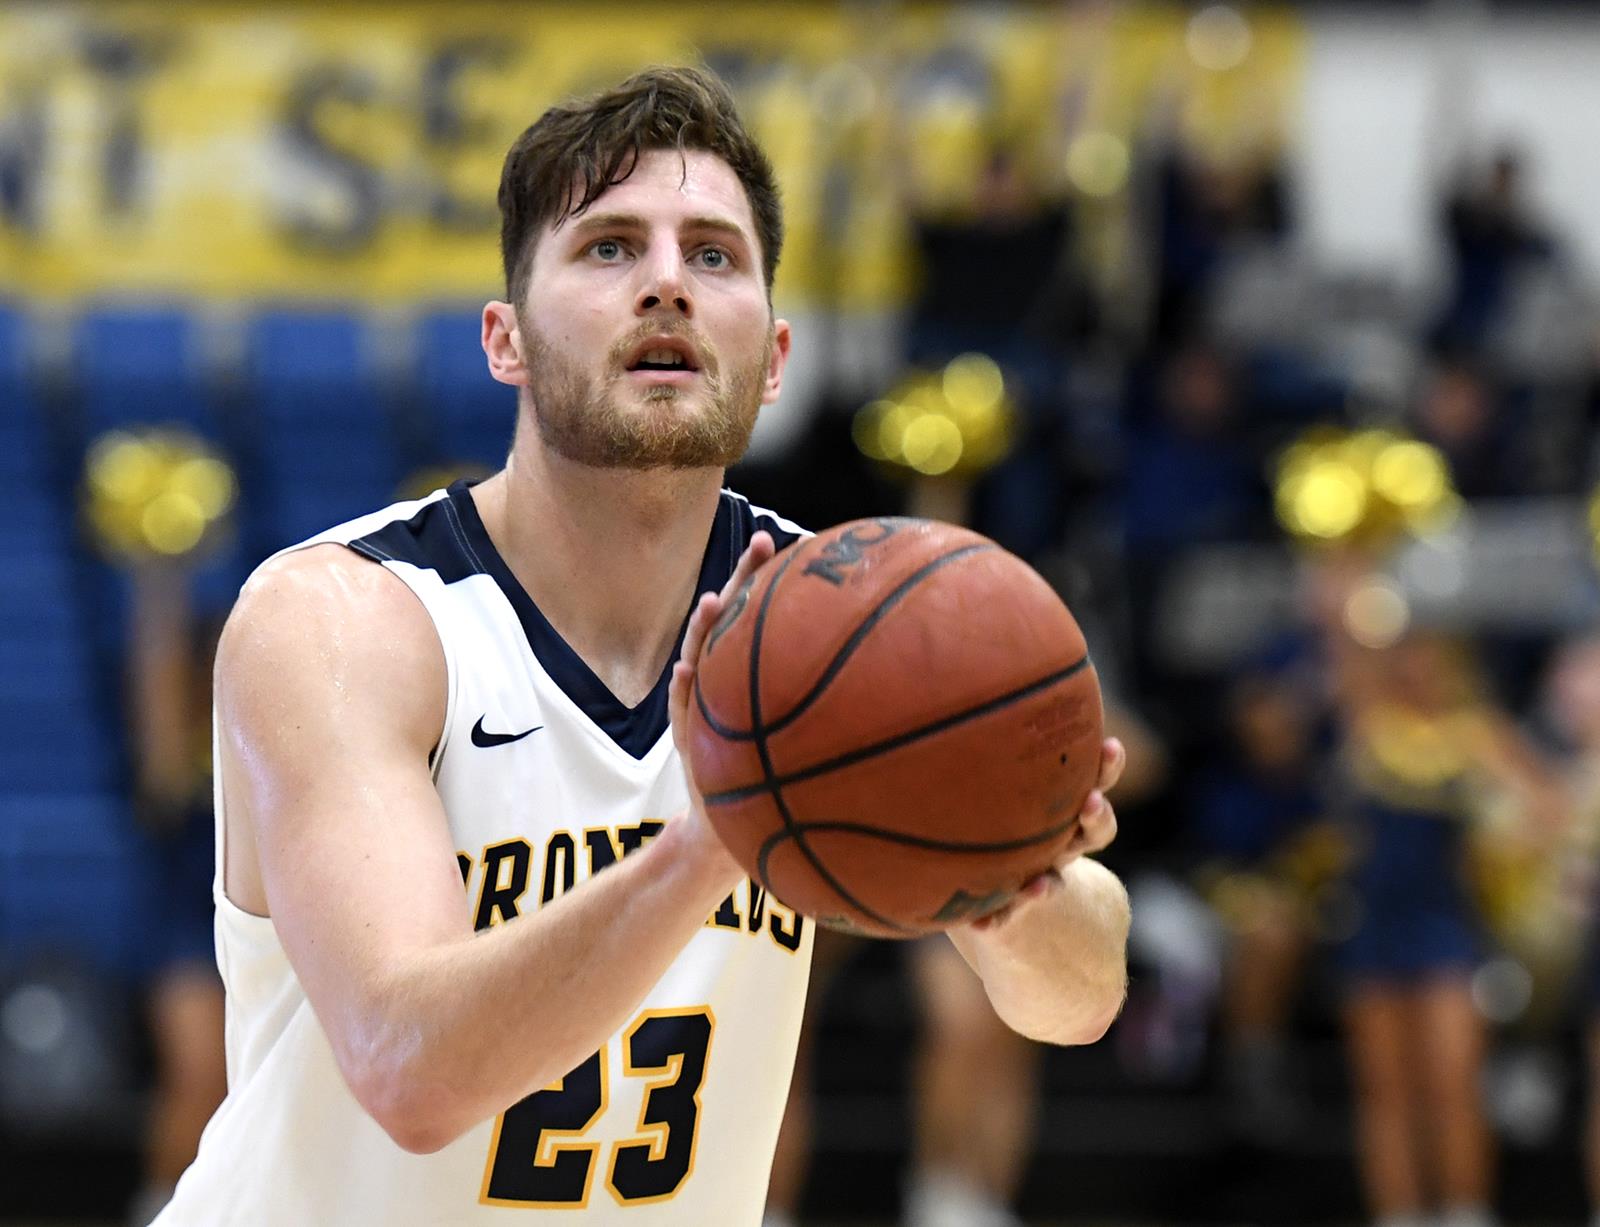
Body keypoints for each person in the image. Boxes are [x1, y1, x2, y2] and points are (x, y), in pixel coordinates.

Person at [153, 65, 1132, 1225]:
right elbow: (408, 1071)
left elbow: (1075, 1001)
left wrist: (1013, 875)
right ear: (504, 341)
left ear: (771, 360)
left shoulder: (836, 628)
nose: (667, 281)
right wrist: (721, 826)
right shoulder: (346, 619)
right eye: (609, 248)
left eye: (712, 255)